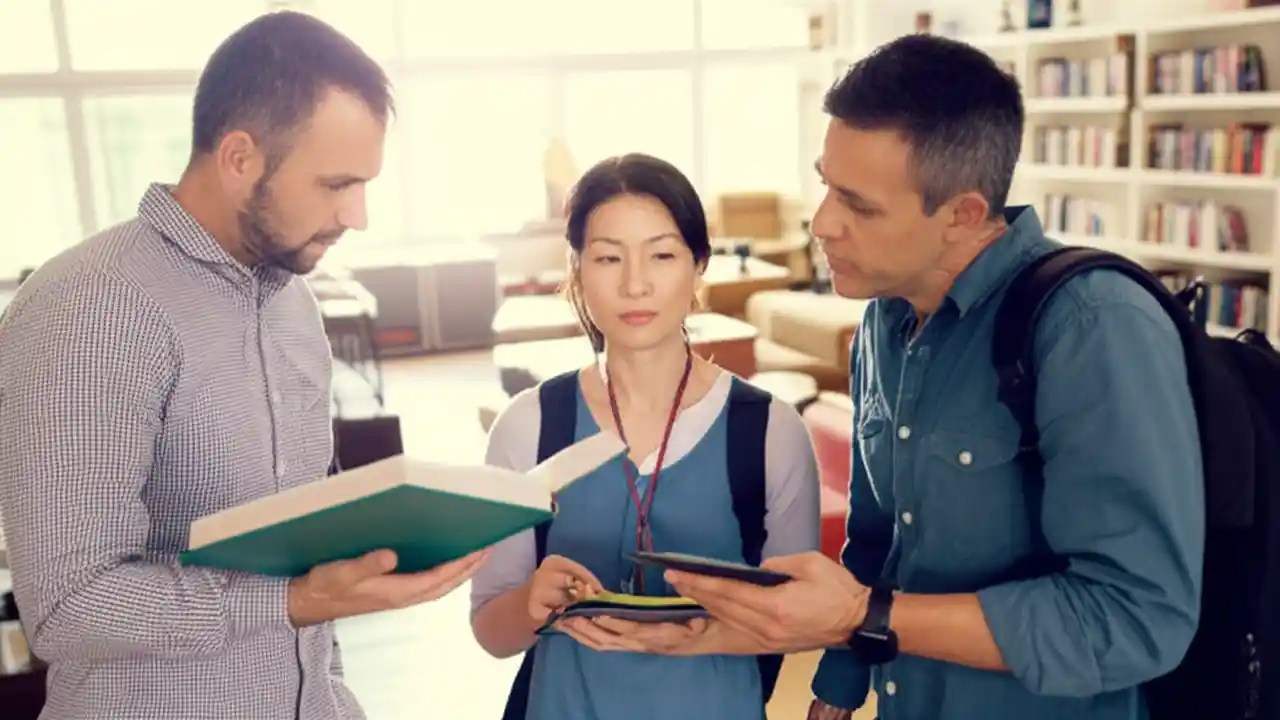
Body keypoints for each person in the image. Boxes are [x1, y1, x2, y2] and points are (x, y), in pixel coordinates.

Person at [665, 34, 1205, 720]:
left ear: (963, 215)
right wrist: (840, 677)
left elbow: (1136, 619)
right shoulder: (883, 324)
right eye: (826, 184)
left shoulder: (1095, 327)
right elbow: (878, 534)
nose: (822, 222)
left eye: (858, 205)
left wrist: (859, 615)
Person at [0, 11, 486, 719]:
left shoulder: (291, 300)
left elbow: (311, 536)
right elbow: (67, 606)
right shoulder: (93, 307)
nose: (358, 215)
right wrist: (295, 600)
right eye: (334, 184)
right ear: (238, 159)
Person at [469, 153, 821, 720]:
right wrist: (532, 602)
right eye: (609, 258)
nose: (635, 284)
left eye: (662, 254)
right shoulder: (528, 426)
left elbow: (801, 624)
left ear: (698, 265)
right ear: (577, 269)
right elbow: (492, 631)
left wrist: (708, 631)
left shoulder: (770, 432)